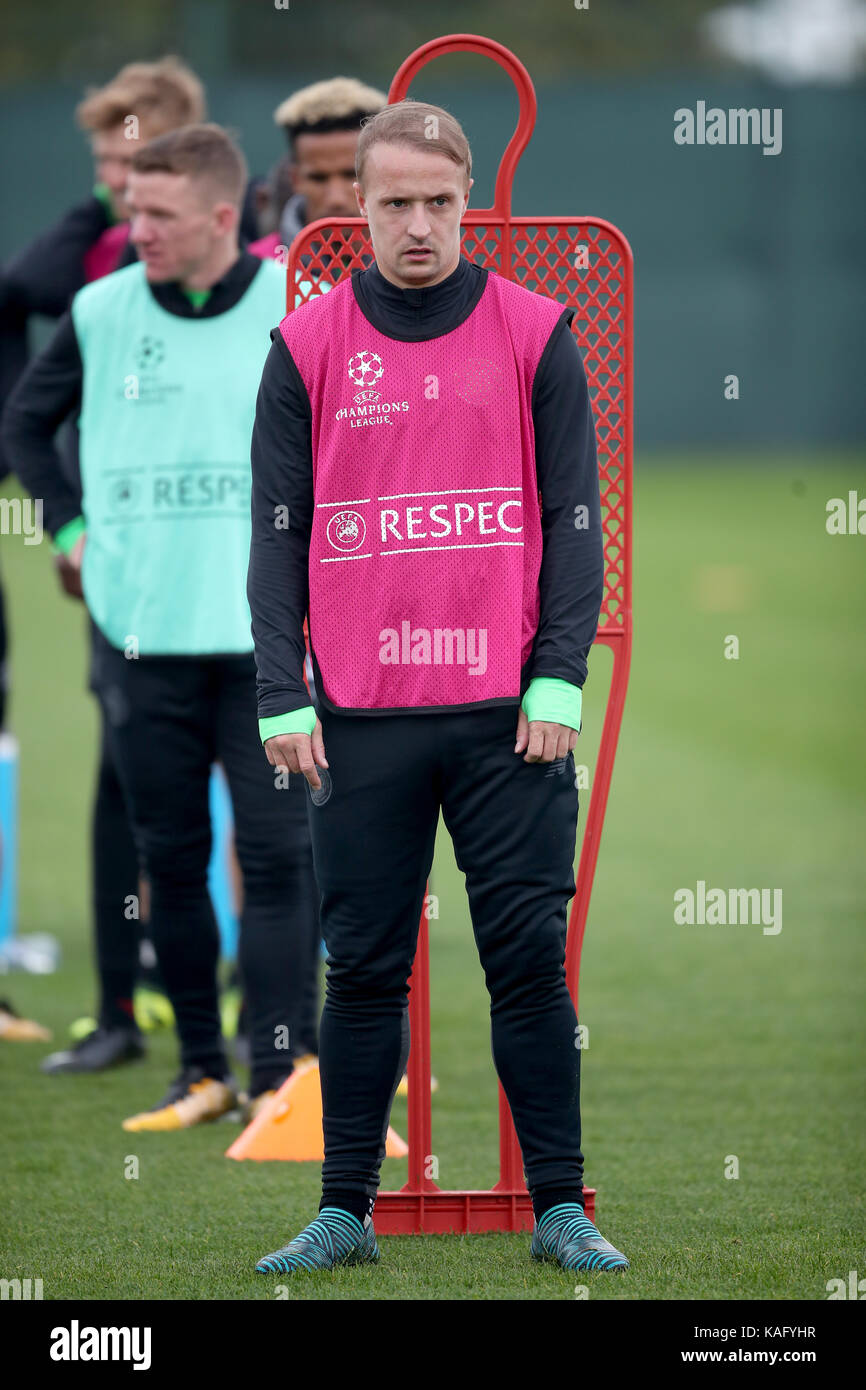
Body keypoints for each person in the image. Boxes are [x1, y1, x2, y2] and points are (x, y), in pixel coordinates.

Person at [246, 99, 630, 1275]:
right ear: (353, 205)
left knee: (524, 958)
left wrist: (557, 677)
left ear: (468, 199)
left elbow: (574, 522)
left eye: (438, 201)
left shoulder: (534, 329)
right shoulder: (306, 344)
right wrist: (280, 688)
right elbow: (275, 533)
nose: (417, 224)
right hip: (357, 714)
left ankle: (557, 1204)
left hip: (506, 717)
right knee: (361, 963)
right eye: (393, 201)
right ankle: (343, 1209)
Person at [4, 124, 320, 1128]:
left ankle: (280, 1076)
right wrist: (74, 526)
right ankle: (201, 1069)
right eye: (130, 209)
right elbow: (22, 421)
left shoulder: (293, 302)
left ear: (225, 218)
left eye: (159, 215)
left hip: (263, 644)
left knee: (276, 861)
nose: (136, 228)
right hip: (138, 636)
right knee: (170, 863)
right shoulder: (98, 311)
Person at [0, 57, 209, 1073]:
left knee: (260, 786)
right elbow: (23, 287)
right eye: (100, 164)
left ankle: (257, 1011)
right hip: (121, 556)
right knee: (122, 775)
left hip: (218, 559)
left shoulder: (224, 238)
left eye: (127, 160)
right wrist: (70, 526)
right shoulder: (97, 255)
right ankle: (119, 1005)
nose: (118, 185)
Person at [248, 76, 386, 261]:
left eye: (351, 175)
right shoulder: (257, 268)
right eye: (318, 178)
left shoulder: (420, 263)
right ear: (295, 179)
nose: (335, 199)